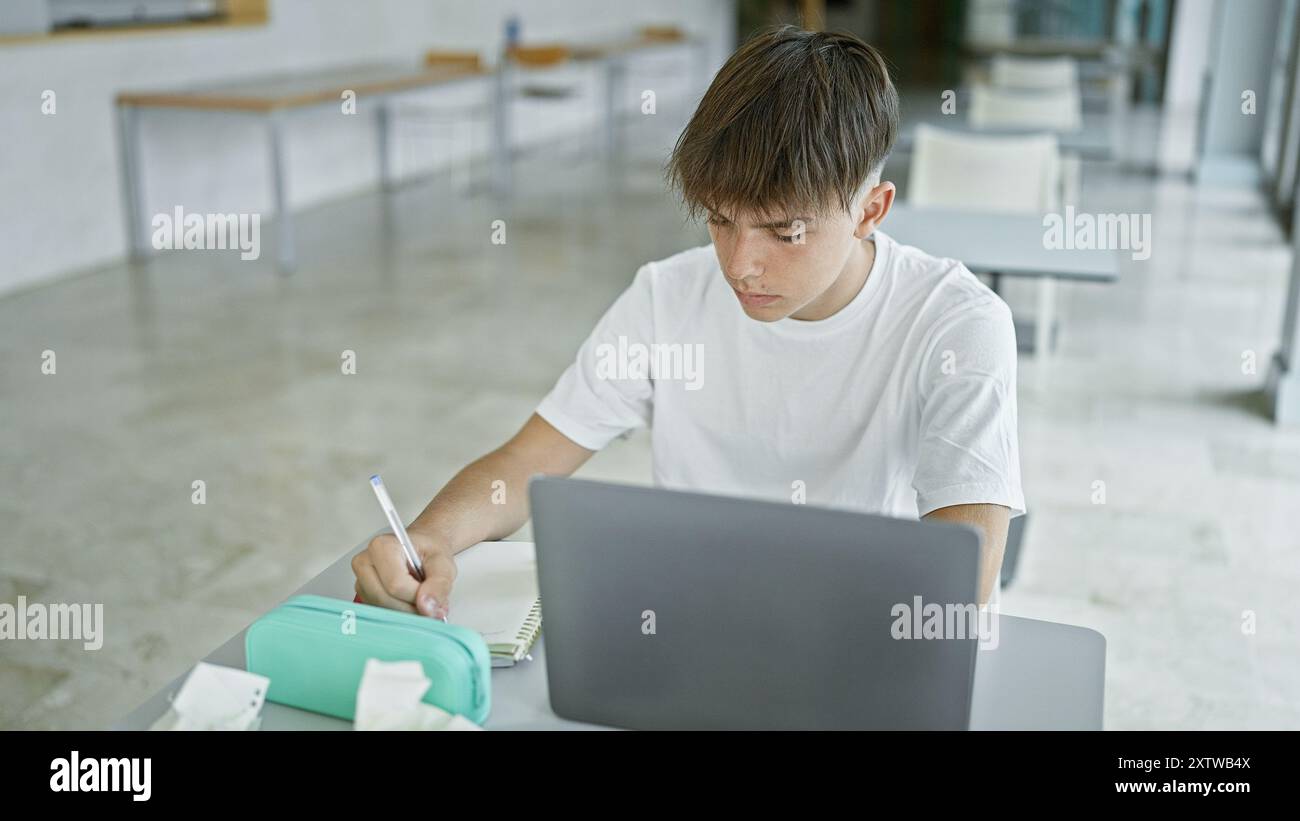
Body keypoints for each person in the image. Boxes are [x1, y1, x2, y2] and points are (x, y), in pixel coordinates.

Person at [352, 24, 1025, 619]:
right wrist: (432, 537)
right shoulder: (665, 297)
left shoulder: (955, 325)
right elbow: (526, 463)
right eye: (720, 220)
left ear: (870, 210)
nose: (740, 265)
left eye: (784, 233)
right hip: (683, 626)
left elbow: (959, 588)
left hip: (851, 635)